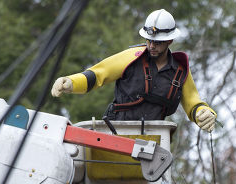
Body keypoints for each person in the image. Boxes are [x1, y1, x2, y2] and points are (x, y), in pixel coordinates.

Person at [51, 9, 217, 132]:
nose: (151, 46)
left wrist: (204, 113)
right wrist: (70, 82)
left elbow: (193, 102)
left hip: (153, 139)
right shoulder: (132, 57)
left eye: (157, 42)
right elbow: (97, 74)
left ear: (170, 41)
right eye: (149, 40)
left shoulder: (179, 72)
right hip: (116, 131)